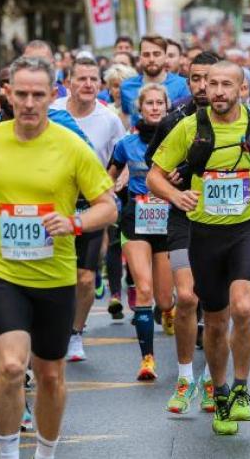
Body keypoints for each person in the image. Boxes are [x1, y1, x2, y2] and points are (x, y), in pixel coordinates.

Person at [0, 56, 117, 459]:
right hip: (3, 270)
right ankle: (9, 452)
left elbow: (108, 206)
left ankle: (45, 453)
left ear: (53, 96)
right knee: (12, 367)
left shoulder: (71, 146)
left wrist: (74, 222)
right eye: (21, 94)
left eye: (38, 95)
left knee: (50, 374)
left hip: (55, 275)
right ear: (7, 94)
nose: (29, 103)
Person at [147, 61, 250, 435]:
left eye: (226, 84)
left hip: (246, 229)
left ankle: (242, 388)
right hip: (204, 233)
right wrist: (175, 194)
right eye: (212, 84)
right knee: (214, 322)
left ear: (242, 90)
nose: (218, 91)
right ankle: (221, 390)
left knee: (244, 307)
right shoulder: (190, 127)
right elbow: (154, 175)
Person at [144, 51, 218, 415]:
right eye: (195, 79)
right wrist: (172, 185)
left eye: (209, 78)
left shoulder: (240, 120)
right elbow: (153, 168)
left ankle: (212, 379)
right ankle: (186, 375)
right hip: (184, 218)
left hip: (226, 220)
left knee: (219, 305)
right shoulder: (174, 120)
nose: (203, 86)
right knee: (186, 298)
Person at [52, 57, 126, 362]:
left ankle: (75, 333)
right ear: (68, 82)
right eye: (81, 79)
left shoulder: (108, 119)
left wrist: (118, 183)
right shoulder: (52, 111)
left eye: (93, 79)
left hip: (91, 207)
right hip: (55, 205)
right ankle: (52, 327)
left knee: (85, 277)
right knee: (58, 275)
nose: (87, 85)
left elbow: (121, 158)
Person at [109, 84, 174, 380]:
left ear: (167, 107)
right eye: (150, 103)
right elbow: (107, 176)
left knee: (164, 299)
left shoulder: (177, 141)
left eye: (160, 103)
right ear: (141, 108)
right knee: (144, 289)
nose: (155, 108)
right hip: (136, 218)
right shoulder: (126, 144)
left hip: (168, 219)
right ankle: (147, 359)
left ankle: (169, 312)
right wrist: (108, 194)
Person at [120, 36, 192, 121]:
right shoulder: (127, 87)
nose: (151, 59)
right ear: (140, 58)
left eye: (156, 54)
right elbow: (126, 119)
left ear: (165, 56)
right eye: (146, 55)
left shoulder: (183, 85)